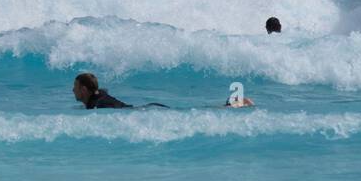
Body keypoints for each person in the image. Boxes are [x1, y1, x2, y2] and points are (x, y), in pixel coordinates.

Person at [73, 72, 252, 109]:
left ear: (83, 89)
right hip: (147, 108)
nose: (72, 91)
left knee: (188, 112)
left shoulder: (99, 104)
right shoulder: (97, 98)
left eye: (75, 88)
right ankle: (231, 104)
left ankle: (233, 105)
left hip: (146, 111)